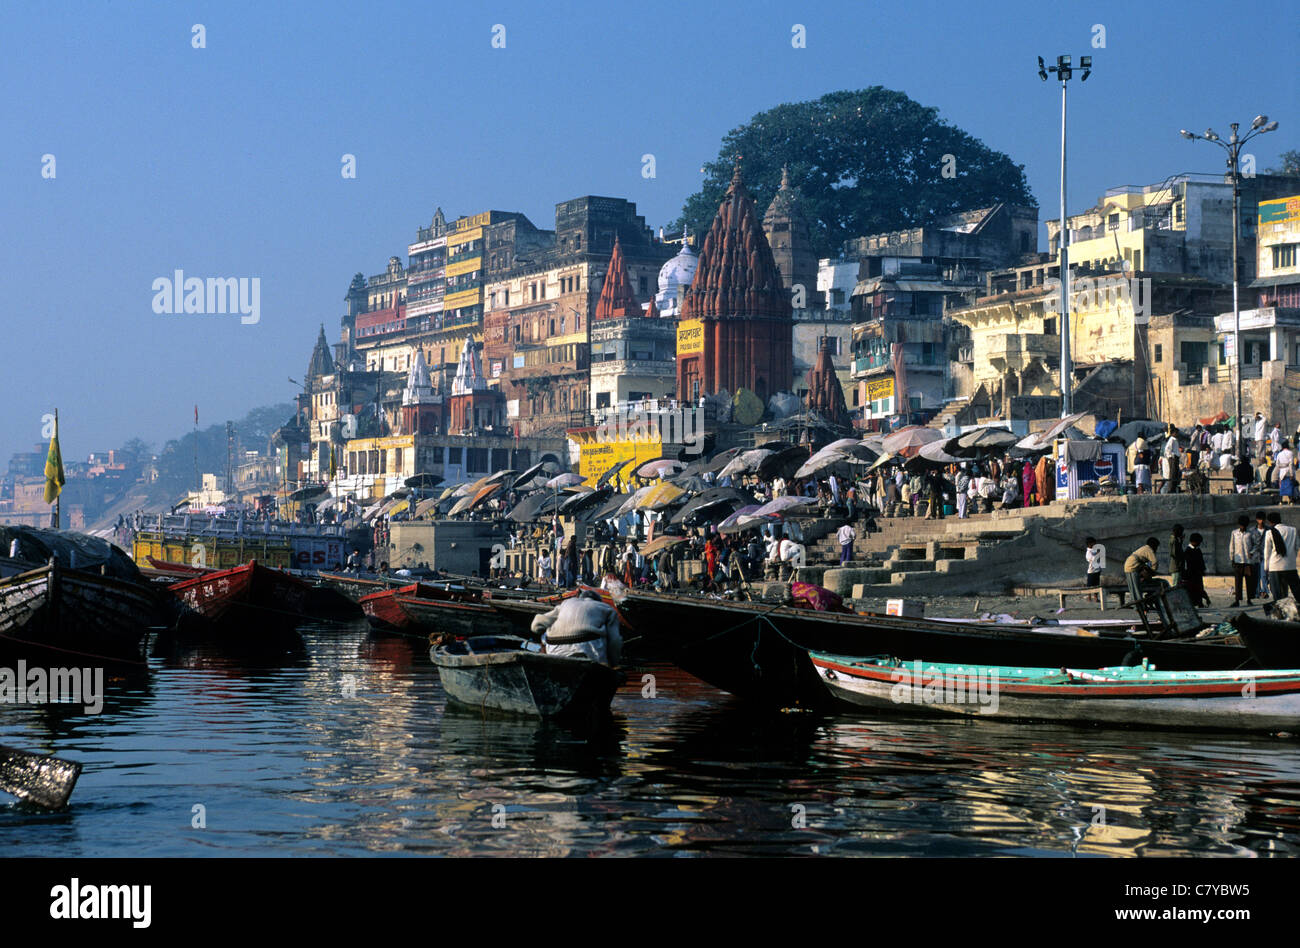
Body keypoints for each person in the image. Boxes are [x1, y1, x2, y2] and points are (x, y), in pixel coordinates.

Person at [530, 589, 622, 665]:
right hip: (591, 650)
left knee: (546, 632)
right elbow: (615, 641)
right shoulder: (607, 609)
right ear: (598, 600)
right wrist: (613, 663)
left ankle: (546, 661)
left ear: (580, 598)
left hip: (555, 649)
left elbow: (536, 625)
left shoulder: (566, 603)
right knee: (606, 634)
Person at [1262, 512, 1300, 603]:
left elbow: (1267, 552)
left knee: (1277, 594)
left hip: (1275, 567)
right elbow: (1297, 547)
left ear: (1270, 522)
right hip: (1290, 566)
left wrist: (1266, 568)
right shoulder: (1293, 530)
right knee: (1297, 590)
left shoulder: (1269, 532)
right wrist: (1291, 558)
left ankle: (1281, 609)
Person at [1229, 515, 1260, 608]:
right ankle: (1237, 600)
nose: (1242, 527)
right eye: (1241, 525)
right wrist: (1232, 558)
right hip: (1237, 561)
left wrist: (1252, 552)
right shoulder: (1234, 533)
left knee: (1249, 581)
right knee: (1238, 582)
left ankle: (1249, 599)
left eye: (1244, 526)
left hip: (1248, 561)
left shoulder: (1251, 533)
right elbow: (1231, 546)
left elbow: (1256, 545)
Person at [1124, 537, 1163, 605]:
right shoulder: (1149, 550)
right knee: (1136, 590)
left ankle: (1138, 604)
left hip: (1130, 565)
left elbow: (1146, 565)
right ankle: (1139, 605)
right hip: (1132, 566)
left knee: (1134, 589)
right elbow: (1155, 562)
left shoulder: (1145, 548)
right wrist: (1153, 572)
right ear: (1153, 545)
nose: (1156, 549)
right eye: (1156, 547)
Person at [1182, 532, 1211, 607]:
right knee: (1192, 589)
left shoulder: (1198, 550)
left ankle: (1200, 603)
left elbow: (1201, 561)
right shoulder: (1188, 551)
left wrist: (1202, 570)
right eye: (1198, 542)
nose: (1199, 544)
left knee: (1199, 588)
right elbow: (1188, 563)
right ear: (1194, 542)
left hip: (1198, 574)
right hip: (1191, 574)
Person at [1256, 510, 1273, 600]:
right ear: (1257, 520)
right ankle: (1257, 592)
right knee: (1257, 575)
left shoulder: (1269, 530)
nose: (1261, 521)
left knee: (1264, 574)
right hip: (1255, 556)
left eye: (1262, 519)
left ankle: (1264, 591)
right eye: (1259, 519)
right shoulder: (1252, 531)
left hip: (1266, 555)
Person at [1085, 537, 1106, 601]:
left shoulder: (1094, 550)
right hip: (1091, 571)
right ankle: (1089, 597)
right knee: (1089, 585)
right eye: (1094, 543)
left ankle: (1096, 597)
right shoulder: (1088, 552)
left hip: (1097, 570)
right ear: (1089, 544)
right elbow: (1093, 559)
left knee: (1096, 585)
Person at [1168, 524, 1186, 589]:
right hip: (1176, 567)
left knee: (1177, 585)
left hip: (1177, 567)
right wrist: (1180, 562)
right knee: (1175, 586)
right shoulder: (1174, 540)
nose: (1181, 533)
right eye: (1181, 532)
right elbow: (1174, 554)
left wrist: (1181, 541)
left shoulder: (1175, 540)